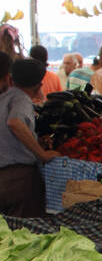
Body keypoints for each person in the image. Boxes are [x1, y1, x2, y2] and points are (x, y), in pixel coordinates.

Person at [0, 55, 57, 216]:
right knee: (25, 231)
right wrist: (43, 155)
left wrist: (35, 139)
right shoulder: (21, 99)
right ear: (39, 84)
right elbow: (14, 123)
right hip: (17, 178)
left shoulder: (4, 97)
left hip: (4, 178)